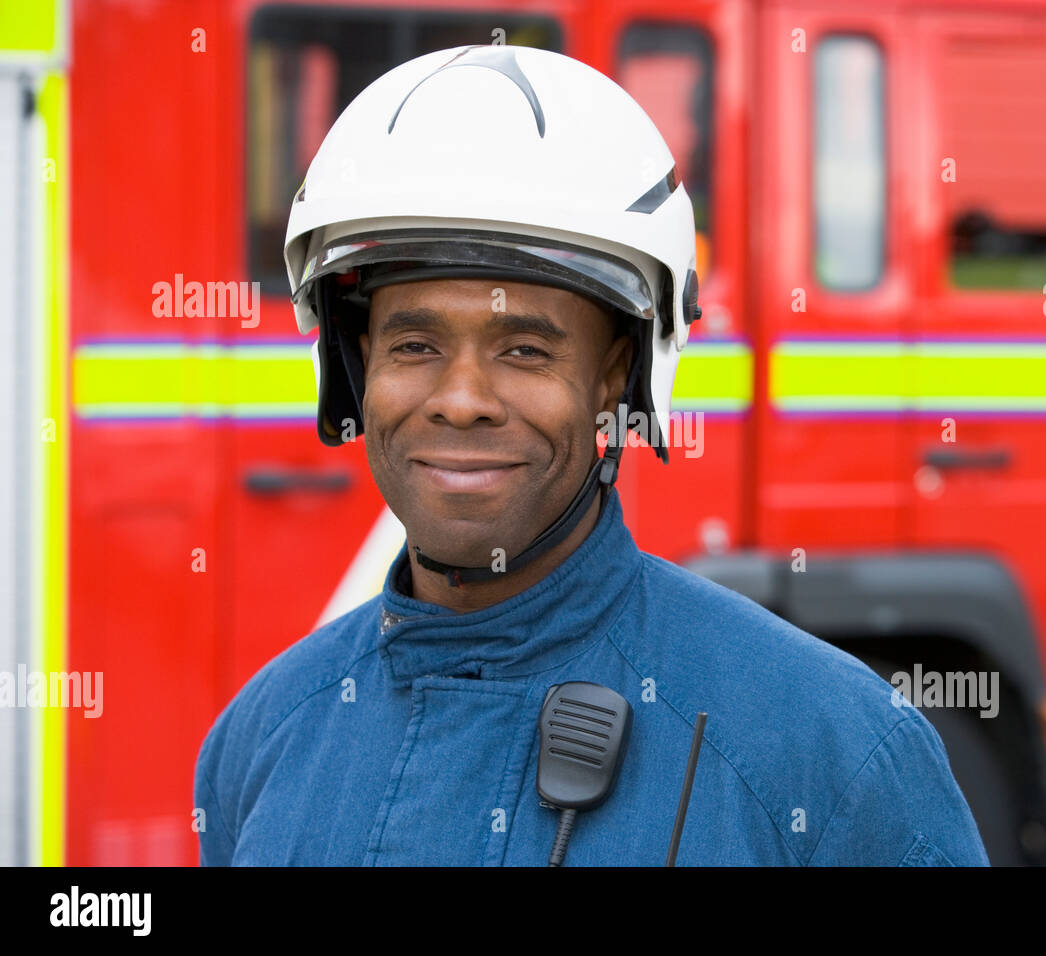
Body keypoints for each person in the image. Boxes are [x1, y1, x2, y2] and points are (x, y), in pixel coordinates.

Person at [194, 44, 989, 866]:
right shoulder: (261, 739)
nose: (460, 398)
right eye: (416, 344)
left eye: (525, 350)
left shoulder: (832, 753)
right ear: (358, 370)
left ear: (616, 374)